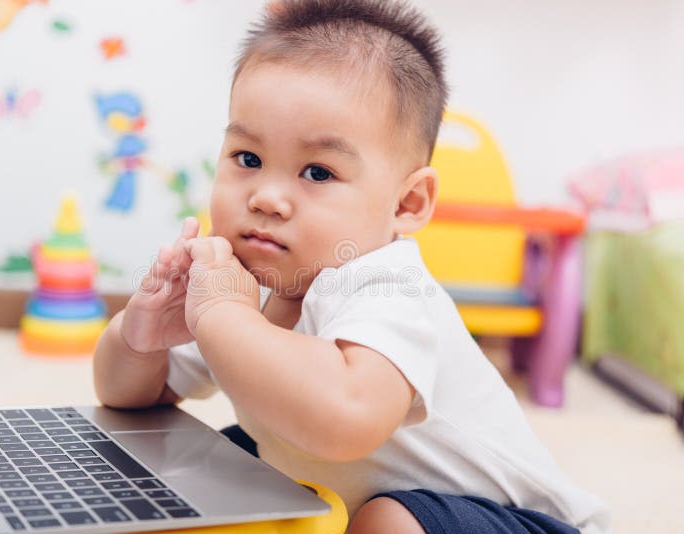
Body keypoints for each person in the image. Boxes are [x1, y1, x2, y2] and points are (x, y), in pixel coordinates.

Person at [94, 1, 609, 532]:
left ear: (407, 205)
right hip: (359, 494)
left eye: (317, 172)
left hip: (513, 520)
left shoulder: (387, 286)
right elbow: (127, 398)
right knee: (206, 463)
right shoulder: (241, 284)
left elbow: (347, 419)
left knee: (388, 519)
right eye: (247, 159)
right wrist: (139, 338)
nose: (267, 197)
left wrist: (224, 315)